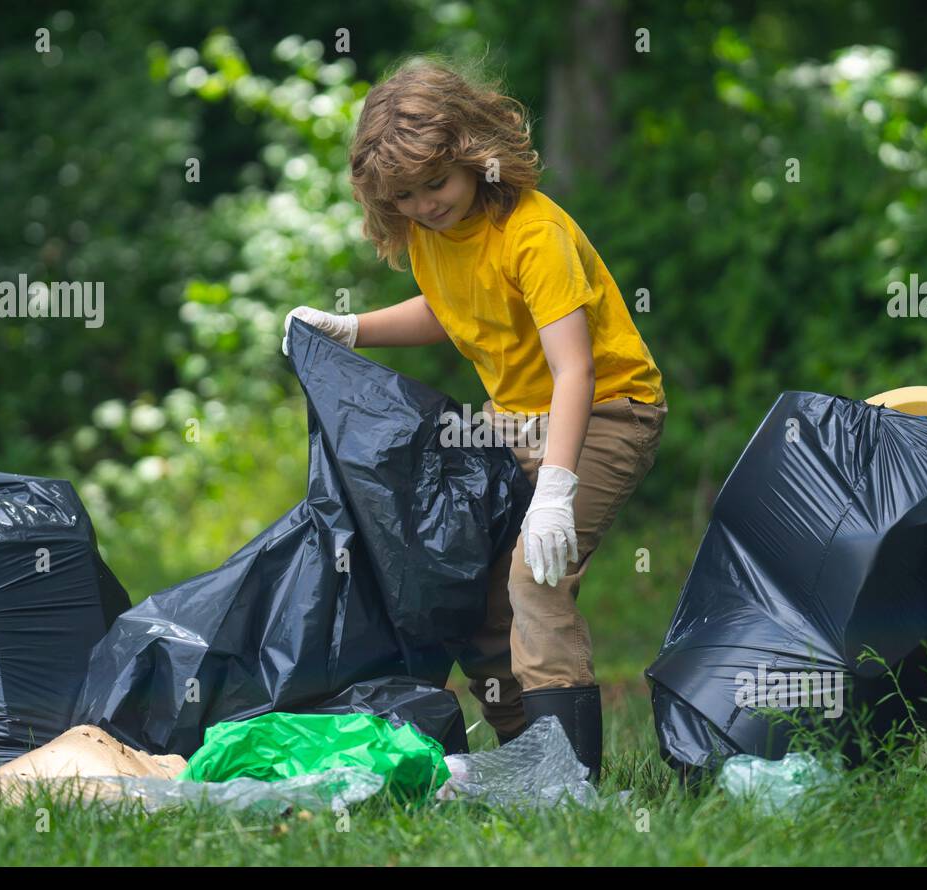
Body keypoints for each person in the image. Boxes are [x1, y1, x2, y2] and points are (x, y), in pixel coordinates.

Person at [283, 58, 666, 781]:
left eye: (437, 183)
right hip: (511, 421)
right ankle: (526, 756)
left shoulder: (534, 233)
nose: (426, 204)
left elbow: (576, 370)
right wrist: (348, 329)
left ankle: (568, 781)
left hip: (608, 411)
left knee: (536, 577)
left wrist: (554, 494)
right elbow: (449, 309)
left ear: (475, 156)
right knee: (477, 593)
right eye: (406, 195)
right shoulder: (432, 233)